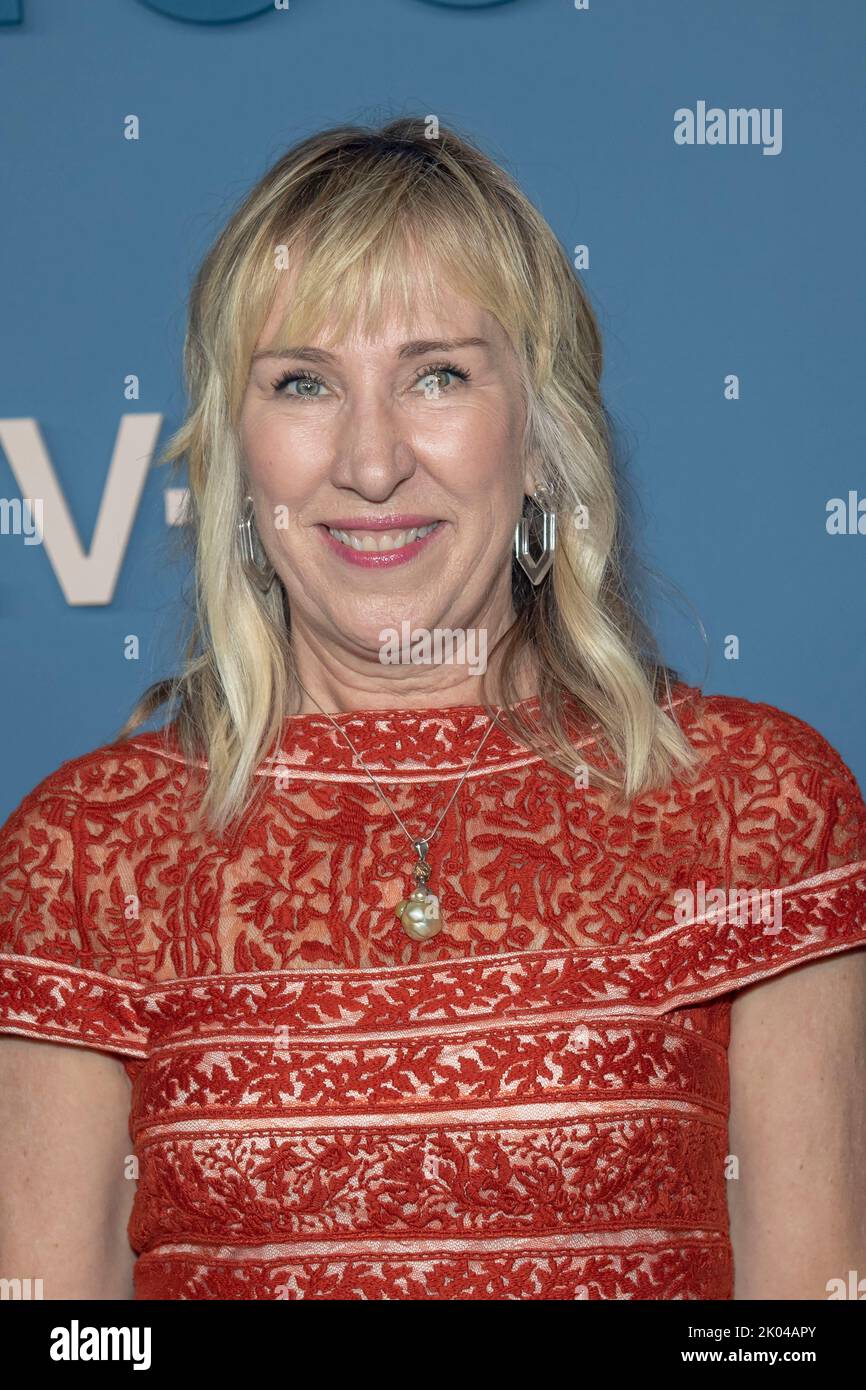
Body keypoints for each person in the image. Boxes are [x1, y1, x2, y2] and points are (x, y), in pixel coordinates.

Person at [1, 117, 864, 1302]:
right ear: (236, 453)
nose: (368, 460)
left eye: (438, 375)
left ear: (541, 437)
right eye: (302, 382)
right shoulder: (86, 851)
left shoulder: (754, 804)